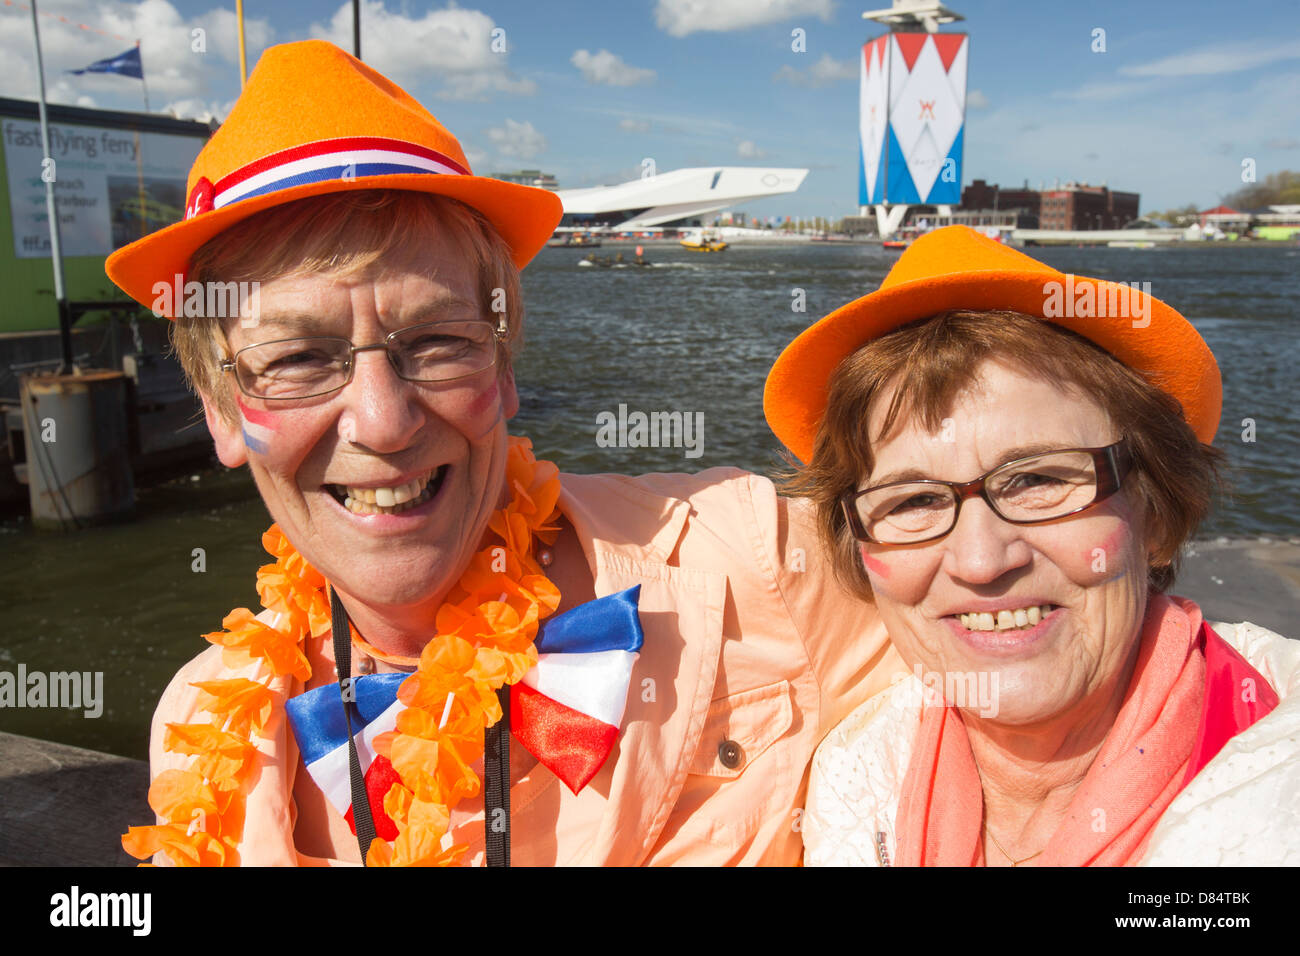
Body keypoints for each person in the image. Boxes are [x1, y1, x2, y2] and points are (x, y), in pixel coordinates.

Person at [105, 40, 901, 867]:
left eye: (440, 341)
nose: (382, 421)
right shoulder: (205, 726)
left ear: (507, 369)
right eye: (298, 361)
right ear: (222, 416)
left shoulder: (760, 564)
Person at [765, 226, 1300, 866]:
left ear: (1155, 514)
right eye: (913, 501)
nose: (983, 561)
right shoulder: (859, 773)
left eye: (1039, 480)